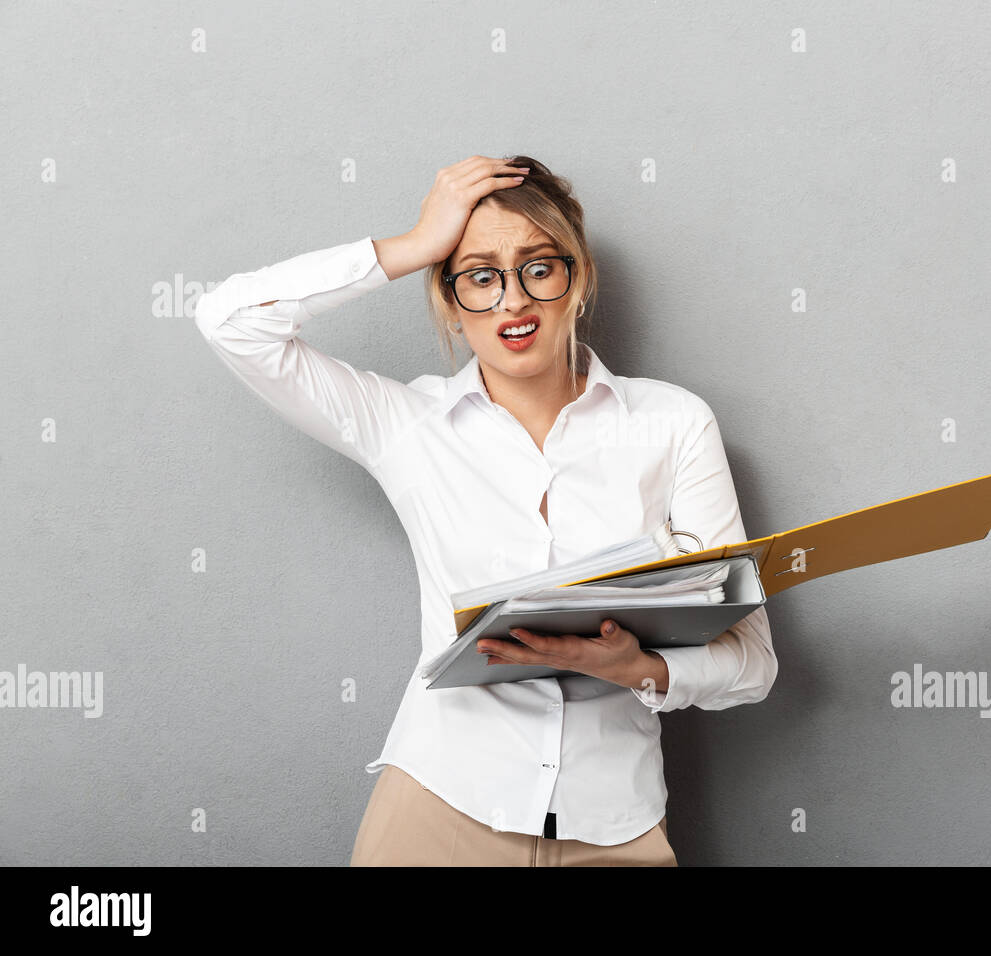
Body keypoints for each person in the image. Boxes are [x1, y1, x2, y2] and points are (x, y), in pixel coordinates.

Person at [193, 154, 778, 866]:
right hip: (438, 810)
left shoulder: (675, 423)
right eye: (479, 275)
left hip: (615, 826)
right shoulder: (407, 424)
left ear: (579, 277)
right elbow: (226, 320)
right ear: (449, 297)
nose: (512, 300)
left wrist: (643, 668)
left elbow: (751, 663)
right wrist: (413, 246)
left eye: (538, 267)